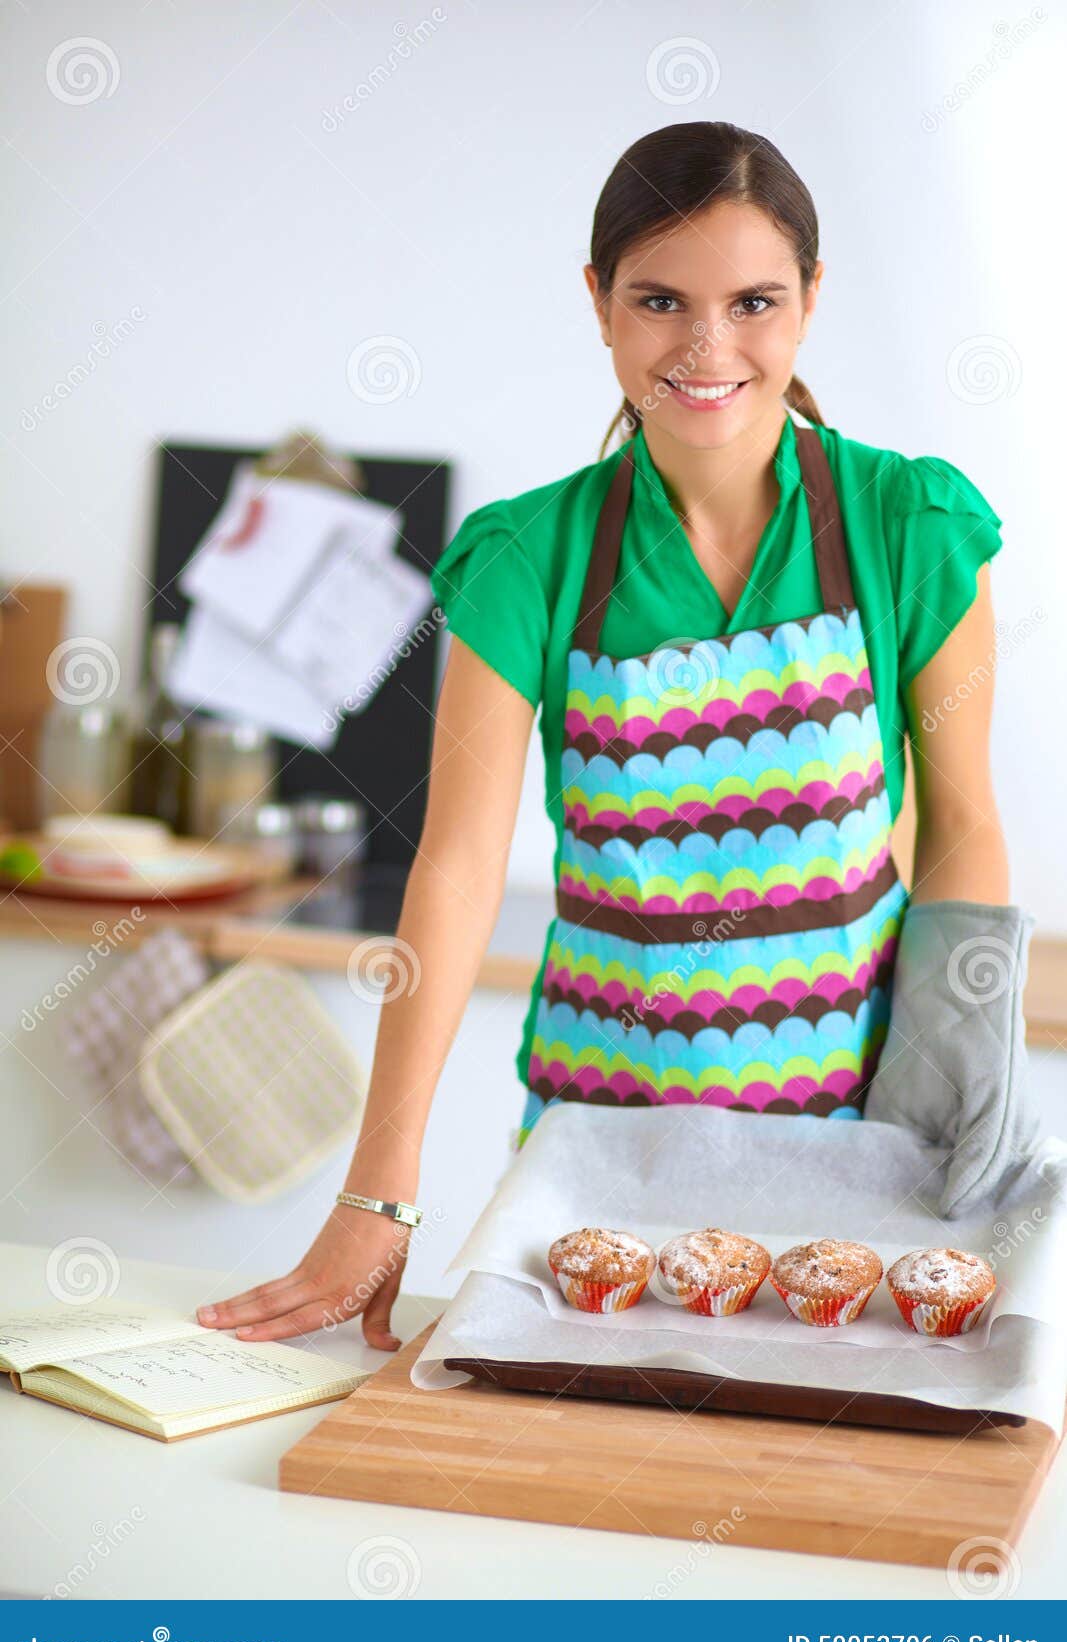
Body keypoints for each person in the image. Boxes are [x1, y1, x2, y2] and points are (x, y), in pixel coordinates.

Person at [195, 121, 1007, 1348]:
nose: (706, 348)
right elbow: (457, 868)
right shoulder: (529, 557)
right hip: (596, 1153)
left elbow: (962, 829)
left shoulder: (908, 523)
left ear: (809, 302)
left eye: (752, 302)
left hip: (854, 1148)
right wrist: (380, 1188)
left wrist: (949, 1116)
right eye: (659, 301)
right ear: (599, 304)